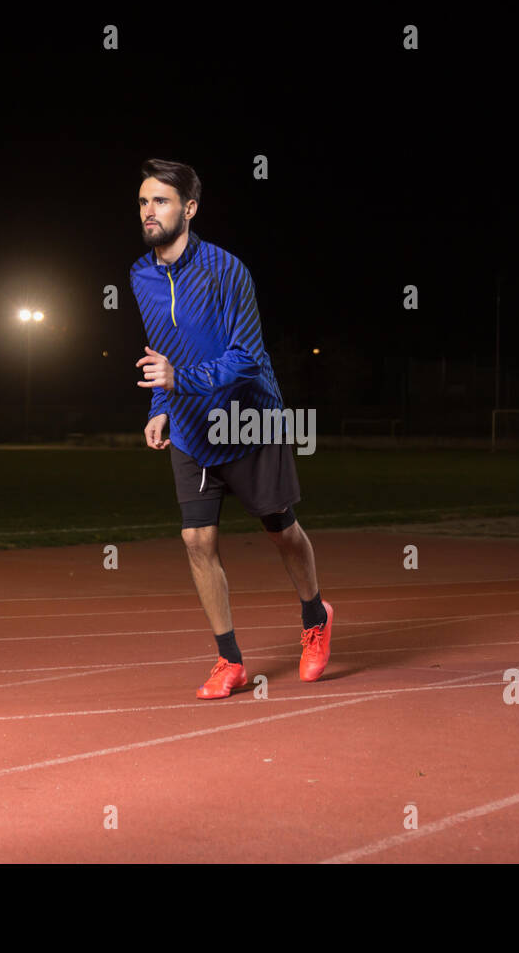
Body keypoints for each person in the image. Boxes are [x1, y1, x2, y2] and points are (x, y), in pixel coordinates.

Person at [130, 157, 332, 699]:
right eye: (145, 200)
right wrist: (160, 409)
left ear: (189, 209)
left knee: (280, 529)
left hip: (246, 416)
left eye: (162, 201)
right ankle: (229, 660)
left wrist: (181, 379)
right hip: (193, 426)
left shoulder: (228, 271)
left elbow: (246, 356)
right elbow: (160, 354)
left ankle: (315, 617)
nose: (150, 210)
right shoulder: (140, 275)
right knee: (197, 538)